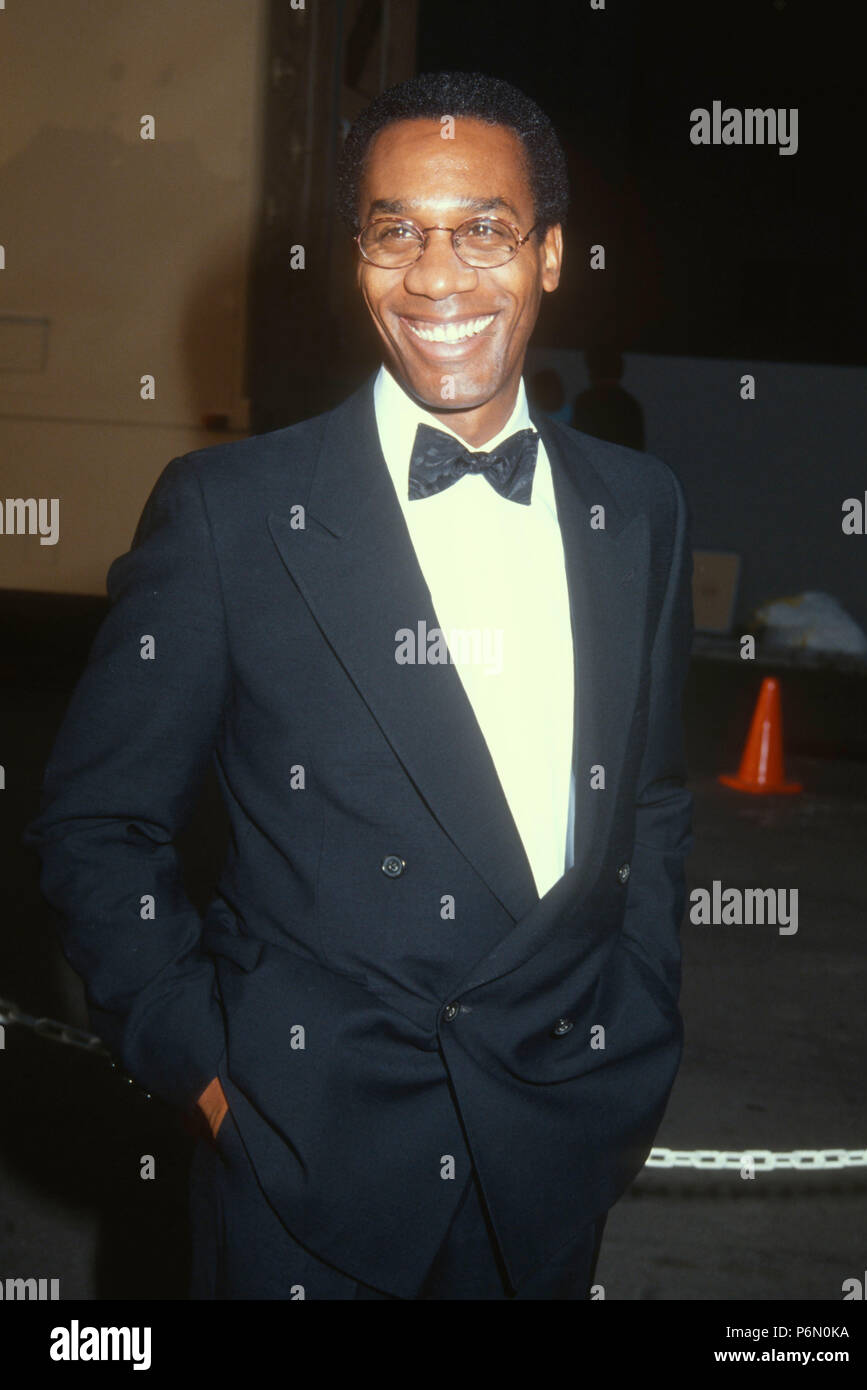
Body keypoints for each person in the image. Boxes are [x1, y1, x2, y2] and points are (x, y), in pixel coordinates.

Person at [23, 70, 693, 1300]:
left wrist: (628, 1048)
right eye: (396, 232)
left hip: (547, 1162)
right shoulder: (230, 517)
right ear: (355, 257)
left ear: (548, 255)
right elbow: (96, 824)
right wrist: (207, 1072)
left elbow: (646, 809)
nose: (436, 278)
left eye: (483, 229)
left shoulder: (636, 510)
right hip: (302, 1174)